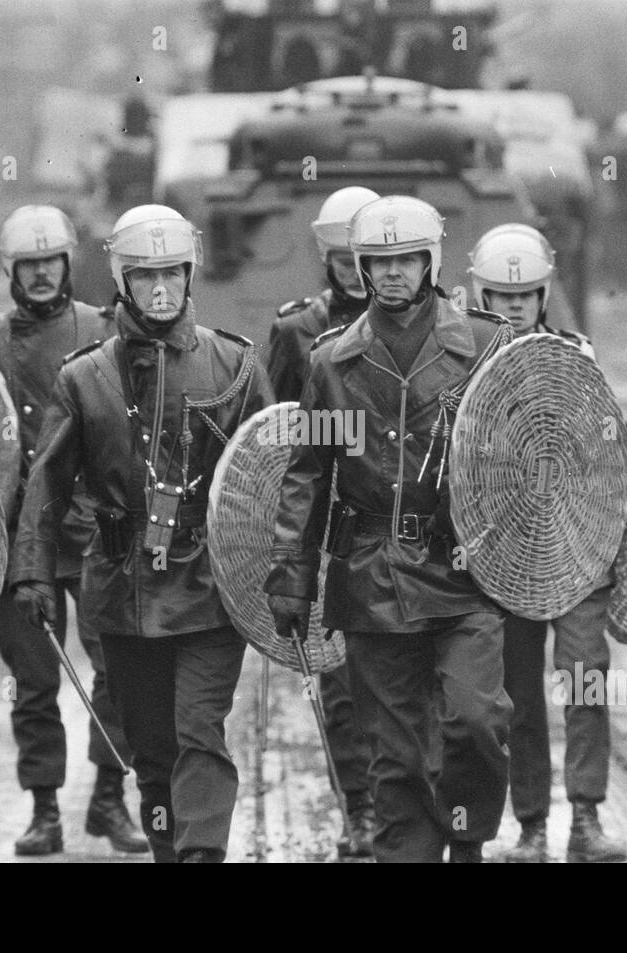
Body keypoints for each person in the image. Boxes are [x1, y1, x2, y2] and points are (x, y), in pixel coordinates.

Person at [10, 204, 274, 863]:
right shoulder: (83, 377)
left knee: (200, 731)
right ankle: (170, 848)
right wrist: (35, 574)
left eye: (172, 275)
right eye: (146, 276)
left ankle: (201, 851)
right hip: (122, 589)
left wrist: (286, 571)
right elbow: (47, 481)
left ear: (190, 276)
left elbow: (275, 472)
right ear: (123, 282)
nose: (161, 290)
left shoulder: (236, 367)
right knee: (152, 747)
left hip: (212, 586)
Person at [265, 195, 513, 863]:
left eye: (407, 258)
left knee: (476, 717)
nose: (394, 272)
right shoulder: (332, 364)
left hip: (465, 569)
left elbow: (524, 449)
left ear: (430, 262)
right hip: (372, 578)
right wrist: (291, 574)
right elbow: (307, 474)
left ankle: (467, 838)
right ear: (362, 268)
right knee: (396, 752)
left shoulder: (487, 345)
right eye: (381, 261)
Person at [467, 223, 627, 863]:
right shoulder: (461, 367)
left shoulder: (575, 355)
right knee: (518, 695)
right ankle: (530, 824)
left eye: (525, 296)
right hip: (505, 557)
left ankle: (585, 818)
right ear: (481, 295)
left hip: (578, 547)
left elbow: (614, 431)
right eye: (502, 297)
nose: (514, 308)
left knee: (586, 679)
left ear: (543, 294)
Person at [0, 205, 145, 856]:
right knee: (34, 678)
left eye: (51, 261)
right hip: (21, 538)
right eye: (28, 264)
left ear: (69, 263)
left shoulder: (109, 329)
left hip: (96, 530)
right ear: (9, 270)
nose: (41, 274)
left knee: (117, 667)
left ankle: (109, 798)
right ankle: (44, 807)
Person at [267, 185, 379, 857]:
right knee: (339, 684)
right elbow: (274, 433)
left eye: (357, 255)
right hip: (331, 534)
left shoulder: (420, 323)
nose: (348, 268)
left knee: (406, 685)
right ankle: (357, 810)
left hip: (393, 526)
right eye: (337, 256)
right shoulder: (295, 331)